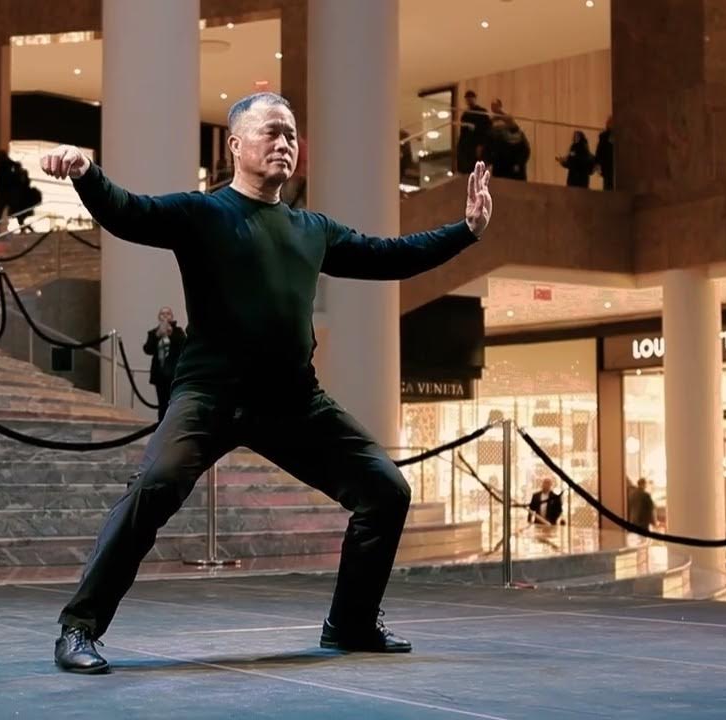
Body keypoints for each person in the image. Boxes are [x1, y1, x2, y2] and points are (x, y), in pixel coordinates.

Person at [40, 91, 493, 674]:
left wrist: (467, 230)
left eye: (292, 135)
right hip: (209, 395)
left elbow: (390, 257)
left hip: (294, 401)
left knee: (385, 492)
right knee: (152, 489)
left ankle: (351, 622)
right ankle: (78, 628)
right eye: (272, 132)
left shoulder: (312, 228)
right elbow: (130, 212)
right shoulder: (202, 214)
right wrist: (85, 172)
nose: (285, 143)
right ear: (235, 145)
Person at [143, 306, 187, 421]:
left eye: (168, 314)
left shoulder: (178, 332)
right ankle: (160, 427)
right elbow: (147, 349)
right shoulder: (153, 333)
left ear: (172, 317)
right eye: (163, 314)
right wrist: (157, 335)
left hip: (173, 375)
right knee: (162, 405)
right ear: (159, 317)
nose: (165, 316)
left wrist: (171, 334)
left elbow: (183, 346)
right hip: (160, 376)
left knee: (173, 404)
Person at [487, 105, 530, 182]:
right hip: (509, 170)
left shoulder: (499, 134)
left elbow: (525, 151)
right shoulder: (518, 135)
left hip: (506, 171)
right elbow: (525, 151)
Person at [456, 90, 492, 174]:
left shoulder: (481, 112)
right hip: (466, 145)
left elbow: (485, 129)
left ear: (474, 99)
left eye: (470, 98)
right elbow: (463, 131)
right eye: (467, 99)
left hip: (476, 143)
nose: (469, 101)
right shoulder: (465, 114)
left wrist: (481, 144)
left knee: (476, 167)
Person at [0, 150, 22, 229]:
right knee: (1, 210)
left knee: (10, 210)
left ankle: (22, 226)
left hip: (8, 191)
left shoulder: (6, 164)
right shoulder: (4, 164)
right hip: (5, 191)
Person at [595, 116, 615, 191]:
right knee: (608, 185)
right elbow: (600, 150)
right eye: (609, 122)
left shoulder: (621, 134)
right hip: (608, 165)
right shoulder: (604, 136)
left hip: (617, 165)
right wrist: (597, 163)